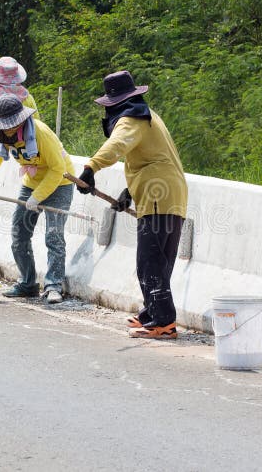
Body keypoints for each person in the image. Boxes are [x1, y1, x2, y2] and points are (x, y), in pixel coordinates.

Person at [75, 70, 188, 339]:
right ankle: (152, 313)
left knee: (149, 261)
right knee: (159, 259)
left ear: (114, 104)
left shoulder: (131, 119)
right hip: (168, 191)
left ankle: (163, 322)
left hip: (158, 194)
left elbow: (117, 145)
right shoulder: (148, 116)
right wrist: (130, 192)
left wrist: (91, 168)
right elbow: (150, 159)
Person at [0, 93, 75, 304]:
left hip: (60, 184)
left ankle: (53, 286)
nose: (9, 128)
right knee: (18, 234)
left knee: (53, 236)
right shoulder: (2, 137)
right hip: (31, 184)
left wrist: (38, 197)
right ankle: (28, 283)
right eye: (5, 125)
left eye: (12, 124)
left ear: (22, 119)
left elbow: (58, 169)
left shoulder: (40, 133)